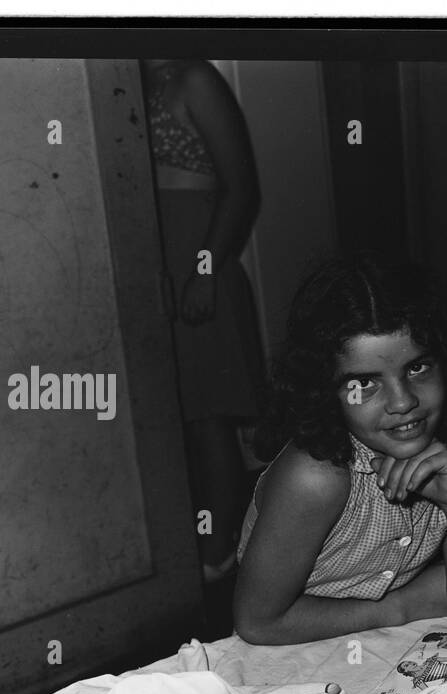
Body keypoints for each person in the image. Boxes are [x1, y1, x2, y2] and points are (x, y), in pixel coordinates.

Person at [233, 254, 447, 645]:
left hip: (384, 651)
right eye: (364, 383)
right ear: (326, 390)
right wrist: (400, 607)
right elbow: (258, 623)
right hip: (287, 656)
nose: (402, 402)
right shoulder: (317, 476)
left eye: (417, 369)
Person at [142, 58, 265, 583]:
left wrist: (205, 270)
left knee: (208, 415)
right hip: (151, 266)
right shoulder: (114, 78)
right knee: (169, 417)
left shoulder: (194, 78)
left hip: (198, 261)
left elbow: (242, 188)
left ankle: (220, 552)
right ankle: (193, 543)